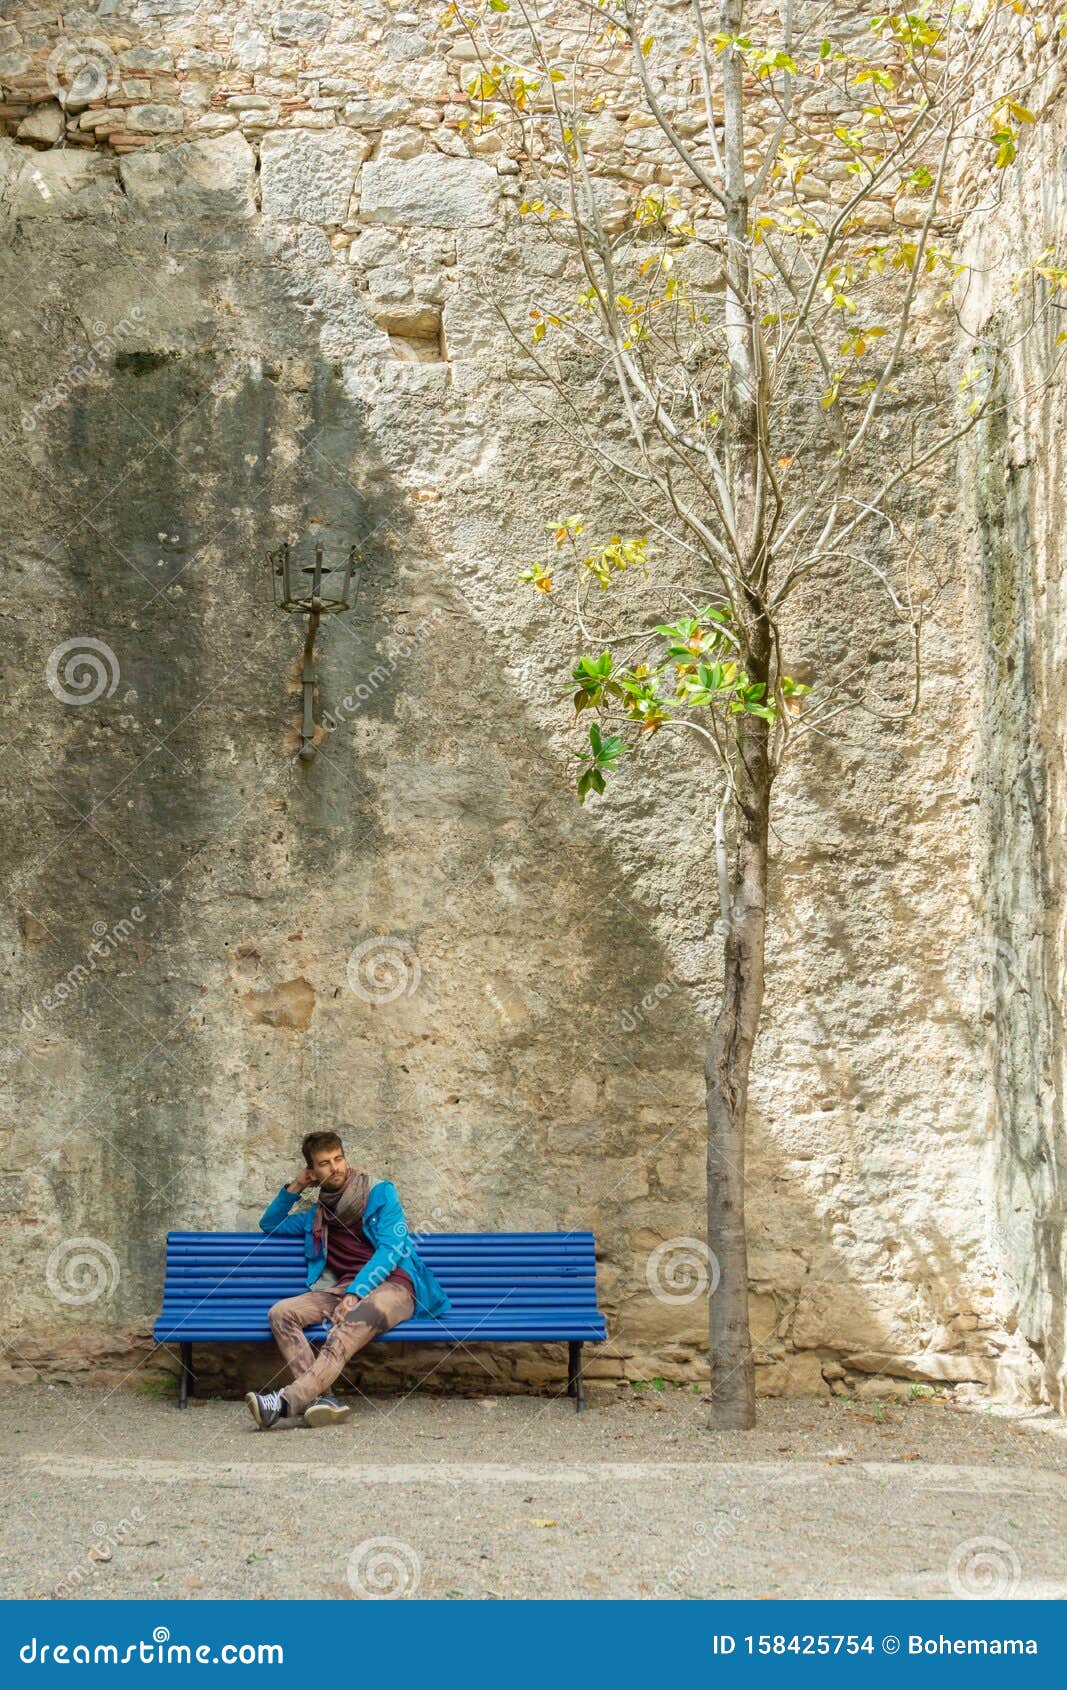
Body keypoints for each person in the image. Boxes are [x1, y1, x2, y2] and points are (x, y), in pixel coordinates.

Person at [244, 1129, 450, 1429]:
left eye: (339, 1158)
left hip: (394, 1287)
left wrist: (356, 1294)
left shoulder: (380, 1193)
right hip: (344, 1289)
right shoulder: (317, 1216)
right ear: (313, 1171)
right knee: (281, 1313)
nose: (335, 1167)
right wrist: (298, 1184)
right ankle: (321, 1400)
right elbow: (269, 1224)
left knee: (345, 1327)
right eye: (324, 1163)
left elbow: (391, 1250)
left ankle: (284, 1402)